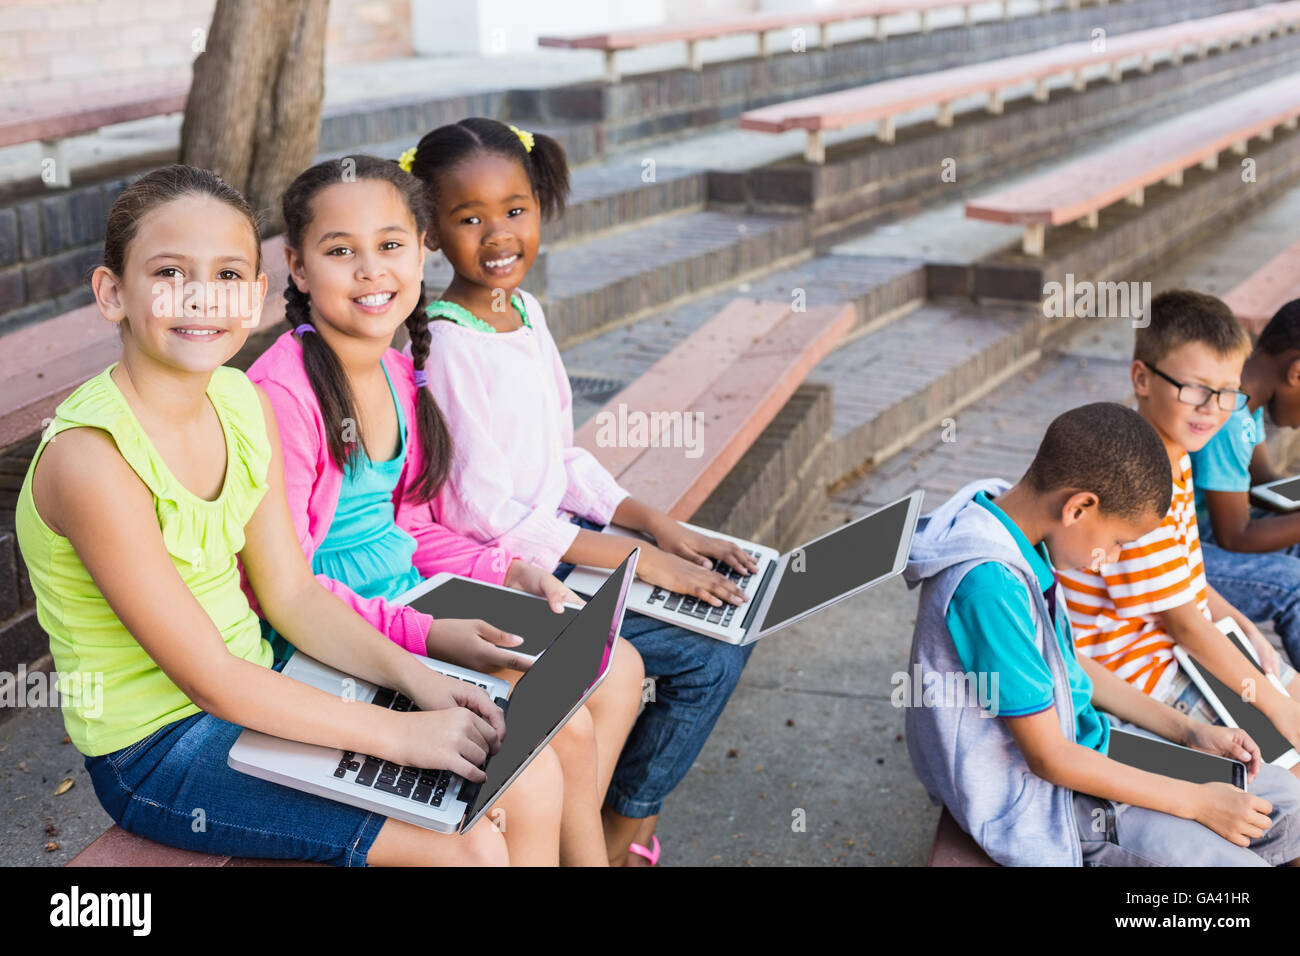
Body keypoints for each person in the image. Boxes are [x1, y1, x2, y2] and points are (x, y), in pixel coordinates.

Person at [14, 164, 563, 866]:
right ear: (112, 292)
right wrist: (397, 734)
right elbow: (207, 677)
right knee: (465, 846)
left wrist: (416, 675)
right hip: (163, 750)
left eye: (228, 275)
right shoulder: (94, 460)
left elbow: (292, 593)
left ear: (256, 298)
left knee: (528, 774)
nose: (203, 298)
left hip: (268, 684)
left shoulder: (240, 403)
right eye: (170, 273)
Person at [246, 155, 644, 866]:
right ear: (298, 267)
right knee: (559, 733)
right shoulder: (283, 394)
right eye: (341, 252)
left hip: (411, 598)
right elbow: (284, 586)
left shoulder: (399, 371)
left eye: (391, 246)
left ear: (421, 248)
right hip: (331, 636)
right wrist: (427, 633)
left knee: (616, 667)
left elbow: (409, 528)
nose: (371, 271)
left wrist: (506, 570)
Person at [403, 117, 757, 866]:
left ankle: (605, 833)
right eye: (468, 218)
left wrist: (657, 527)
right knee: (707, 659)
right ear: (431, 233)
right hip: (496, 571)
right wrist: (641, 564)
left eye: (515, 210)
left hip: (557, 546)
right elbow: (484, 514)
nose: (498, 235)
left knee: (726, 633)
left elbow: (561, 458)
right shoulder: (451, 343)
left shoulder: (524, 314)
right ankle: (607, 839)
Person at [905, 402, 1300, 866]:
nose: (1110, 559)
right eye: (1116, 543)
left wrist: (1190, 731)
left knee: (1288, 808)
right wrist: (1197, 802)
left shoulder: (1017, 528)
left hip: (1099, 744)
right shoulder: (989, 587)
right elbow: (1049, 759)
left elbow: (1071, 666)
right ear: (1080, 507)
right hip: (1047, 804)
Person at [1059, 290, 1300, 775]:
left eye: (1227, 393)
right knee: (1288, 771)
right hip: (1142, 674)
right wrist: (1277, 709)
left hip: (1176, 648)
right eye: (1195, 389)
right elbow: (1183, 623)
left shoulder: (1175, 454)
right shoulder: (1134, 476)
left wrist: (1244, 626)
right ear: (1141, 378)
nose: (1212, 409)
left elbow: (1187, 578)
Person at [1190, 298, 1300, 668]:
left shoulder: (1245, 402)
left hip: (1200, 532)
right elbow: (1235, 536)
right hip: (1178, 553)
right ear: (1298, 373)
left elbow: (1262, 483)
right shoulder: (1229, 415)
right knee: (1295, 584)